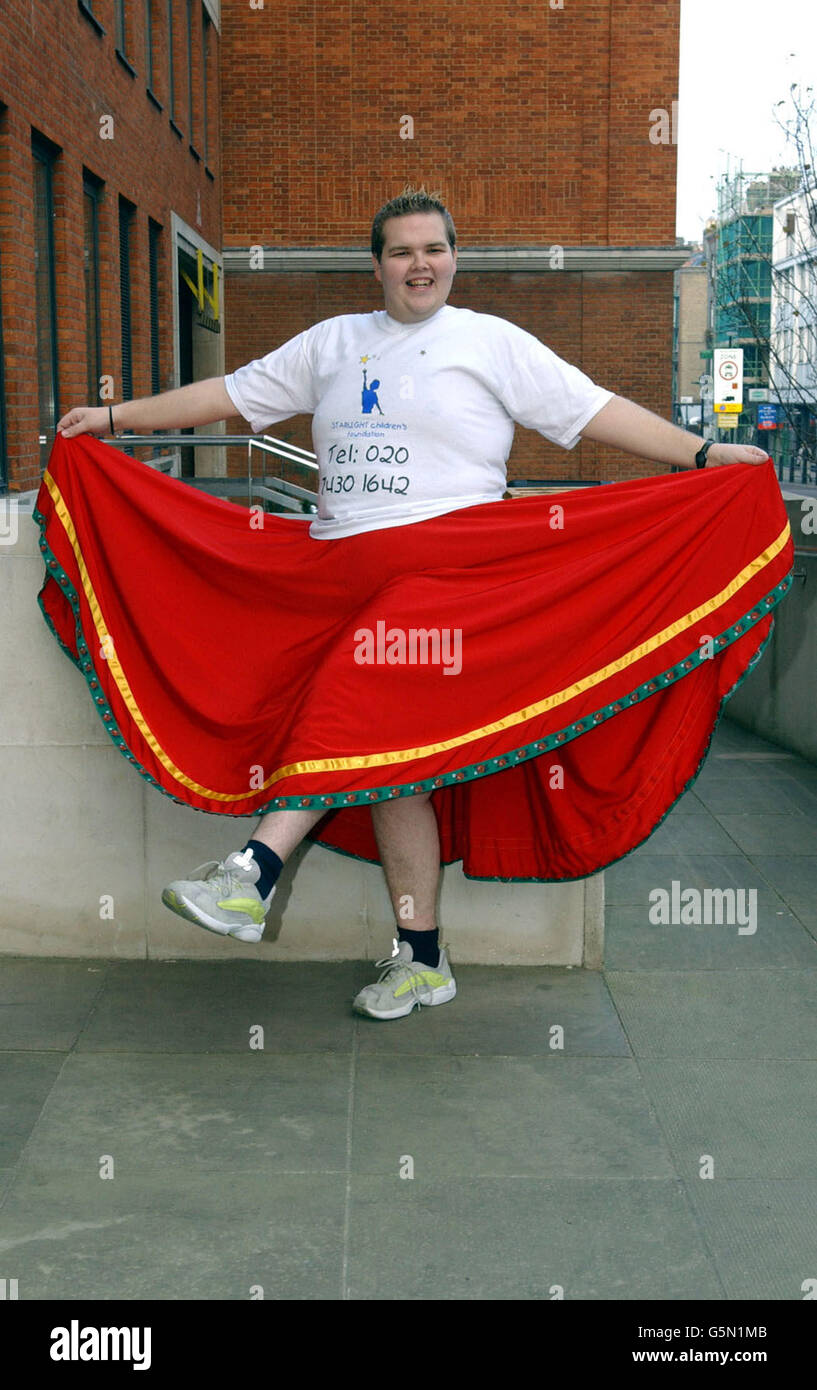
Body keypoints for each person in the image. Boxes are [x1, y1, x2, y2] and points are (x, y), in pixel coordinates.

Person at [53, 185, 780, 1022]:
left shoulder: (488, 342)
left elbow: (590, 409)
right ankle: (422, 958)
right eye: (400, 251)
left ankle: (253, 870)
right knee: (391, 767)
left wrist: (698, 454)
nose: (418, 264)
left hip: (452, 583)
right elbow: (230, 397)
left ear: (452, 259)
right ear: (378, 266)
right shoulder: (333, 343)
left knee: (362, 694)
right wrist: (112, 419)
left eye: (431, 249)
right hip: (336, 577)